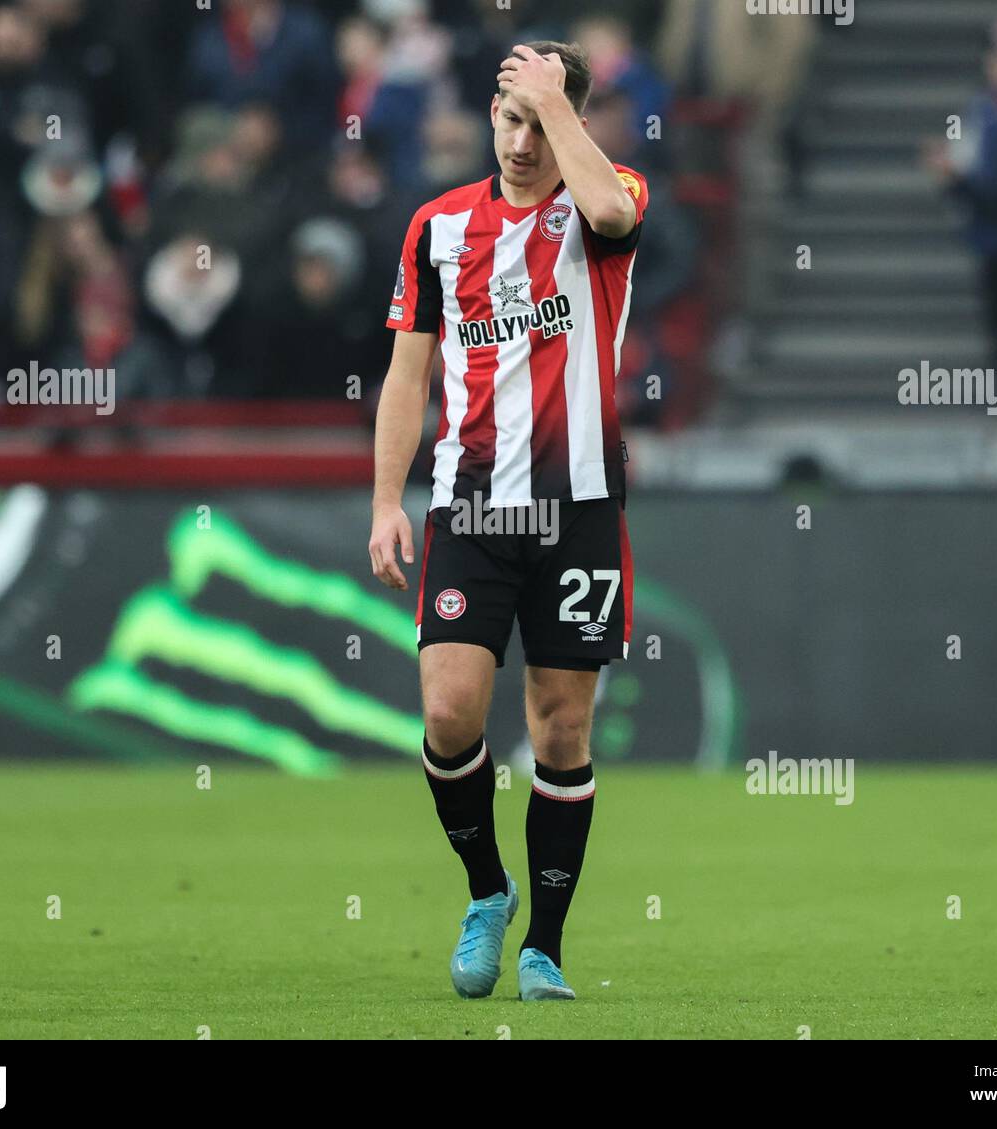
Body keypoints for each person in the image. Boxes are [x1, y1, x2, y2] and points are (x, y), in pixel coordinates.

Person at [368, 41, 648, 1002]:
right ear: (487, 116)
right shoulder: (438, 227)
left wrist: (560, 105)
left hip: (578, 508)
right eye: (508, 117)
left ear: (569, 118)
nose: (521, 140)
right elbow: (408, 376)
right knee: (449, 709)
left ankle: (547, 945)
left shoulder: (606, 201)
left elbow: (609, 207)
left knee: (559, 729)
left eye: (539, 119)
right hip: (475, 503)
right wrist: (385, 503)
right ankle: (487, 889)